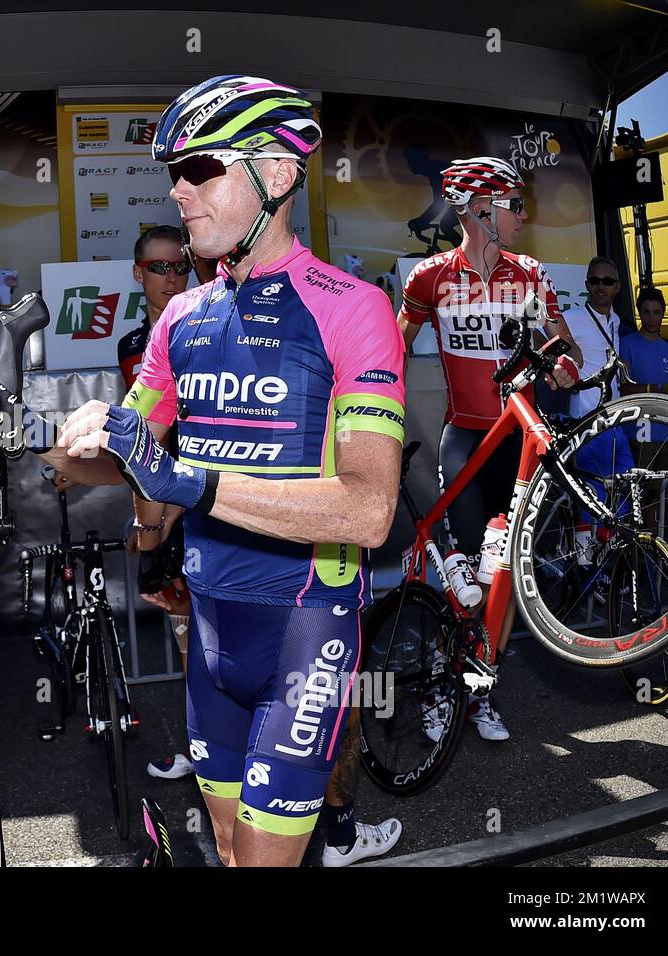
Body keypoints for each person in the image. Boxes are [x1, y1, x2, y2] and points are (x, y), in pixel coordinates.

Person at [49, 75, 406, 867]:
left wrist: (188, 481)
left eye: (200, 168)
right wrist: (30, 439)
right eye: (172, 174)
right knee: (223, 849)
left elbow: (369, 509)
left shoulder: (352, 307)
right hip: (210, 631)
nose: (179, 192)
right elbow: (126, 460)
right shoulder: (181, 315)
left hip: (305, 631)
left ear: (278, 174)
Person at [398, 155, 583, 742]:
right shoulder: (429, 277)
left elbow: (563, 342)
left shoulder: (528, 273)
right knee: (464, 579)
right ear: (480, 209)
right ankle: (436, 683)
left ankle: (481, 689)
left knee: (502, 574)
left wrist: (564, 364)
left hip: (515, 443)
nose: (523, 216)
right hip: (465, 439)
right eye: (514, 204)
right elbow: (389, 354)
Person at [113, 224, 195, 781]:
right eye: (159, 268)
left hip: (212, 497)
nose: (171, 277)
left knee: (217, 638)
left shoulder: (211, 323)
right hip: (164, 507)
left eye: (180, 267)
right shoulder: (131, 347)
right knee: (187, 634)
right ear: (138, 274)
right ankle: (204, 748)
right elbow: (142, 438)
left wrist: (164, 516)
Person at [564, 256, 635, 561]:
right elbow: (541, 333)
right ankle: (587, 564)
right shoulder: (574, 317)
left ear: (618, 287)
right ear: (586, 285)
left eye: (607, 281)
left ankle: (605, 564)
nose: (600, 287)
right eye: (594, 281)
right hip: (586, 420)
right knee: (593, 497)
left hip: (614, 419)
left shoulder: (617, 322)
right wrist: (567, 356)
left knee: (623, 494)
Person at [620, 287, 668, 533]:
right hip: (639, 428)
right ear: (639, 313)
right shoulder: (627, 344)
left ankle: (653, 546)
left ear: (663, 315)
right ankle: (636, 544)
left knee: (661, 493)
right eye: (645, 312)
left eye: (656, 312)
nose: (651, 317)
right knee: (638, 491)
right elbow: (624, 387)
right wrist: (658, 388)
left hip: (665, 430)